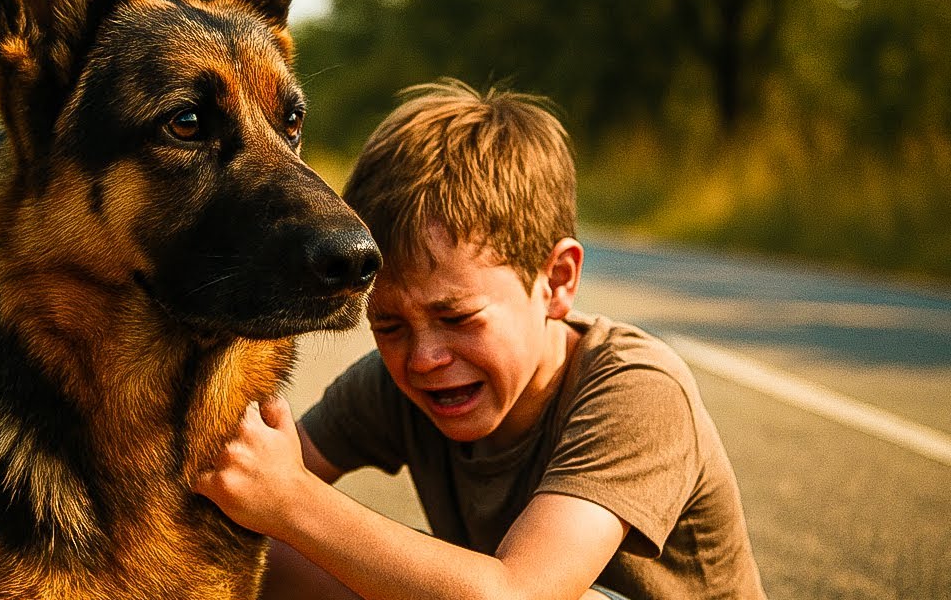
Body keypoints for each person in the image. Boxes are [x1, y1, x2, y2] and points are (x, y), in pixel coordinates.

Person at [194, 79, 767, 600]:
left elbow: (518, 595)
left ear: (557, 280)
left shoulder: (638, 390)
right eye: (388, 325)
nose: (423, 358)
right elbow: (241, 488)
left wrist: (291, 498)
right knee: (275, 558)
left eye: (459, 318)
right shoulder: (398, 383)